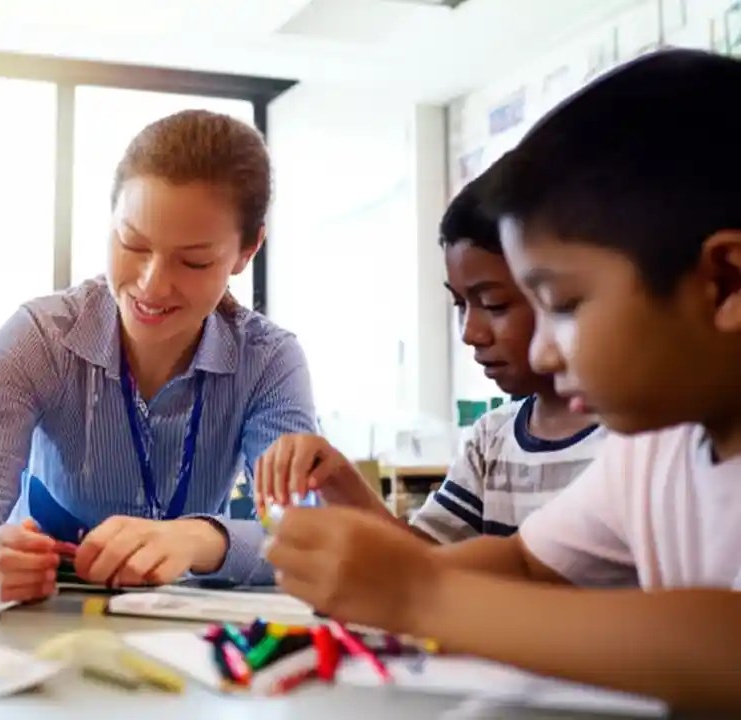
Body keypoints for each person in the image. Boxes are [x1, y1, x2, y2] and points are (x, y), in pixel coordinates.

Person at [264, 49, 741, 712]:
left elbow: (725, 643)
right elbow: (525, 563)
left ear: (725, 283)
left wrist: (420, 595)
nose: (543, 352)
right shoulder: (653, 449)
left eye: (565, 305)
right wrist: (371, 578)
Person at [0, 110, 318, 601]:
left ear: (247, 251)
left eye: (194, 261)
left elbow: (307, 537)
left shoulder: (268, 361)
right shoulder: (40, 337)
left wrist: (200, 539)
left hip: (185, 624)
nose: (151, 284)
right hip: (40, 610)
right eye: (132, 243)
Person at [255, 172, 604, 545]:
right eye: (459, 304)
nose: (470, 332)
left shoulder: (632, 442)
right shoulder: (491, 440)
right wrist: (342, 483)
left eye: (493, 304)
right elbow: (424, 562)